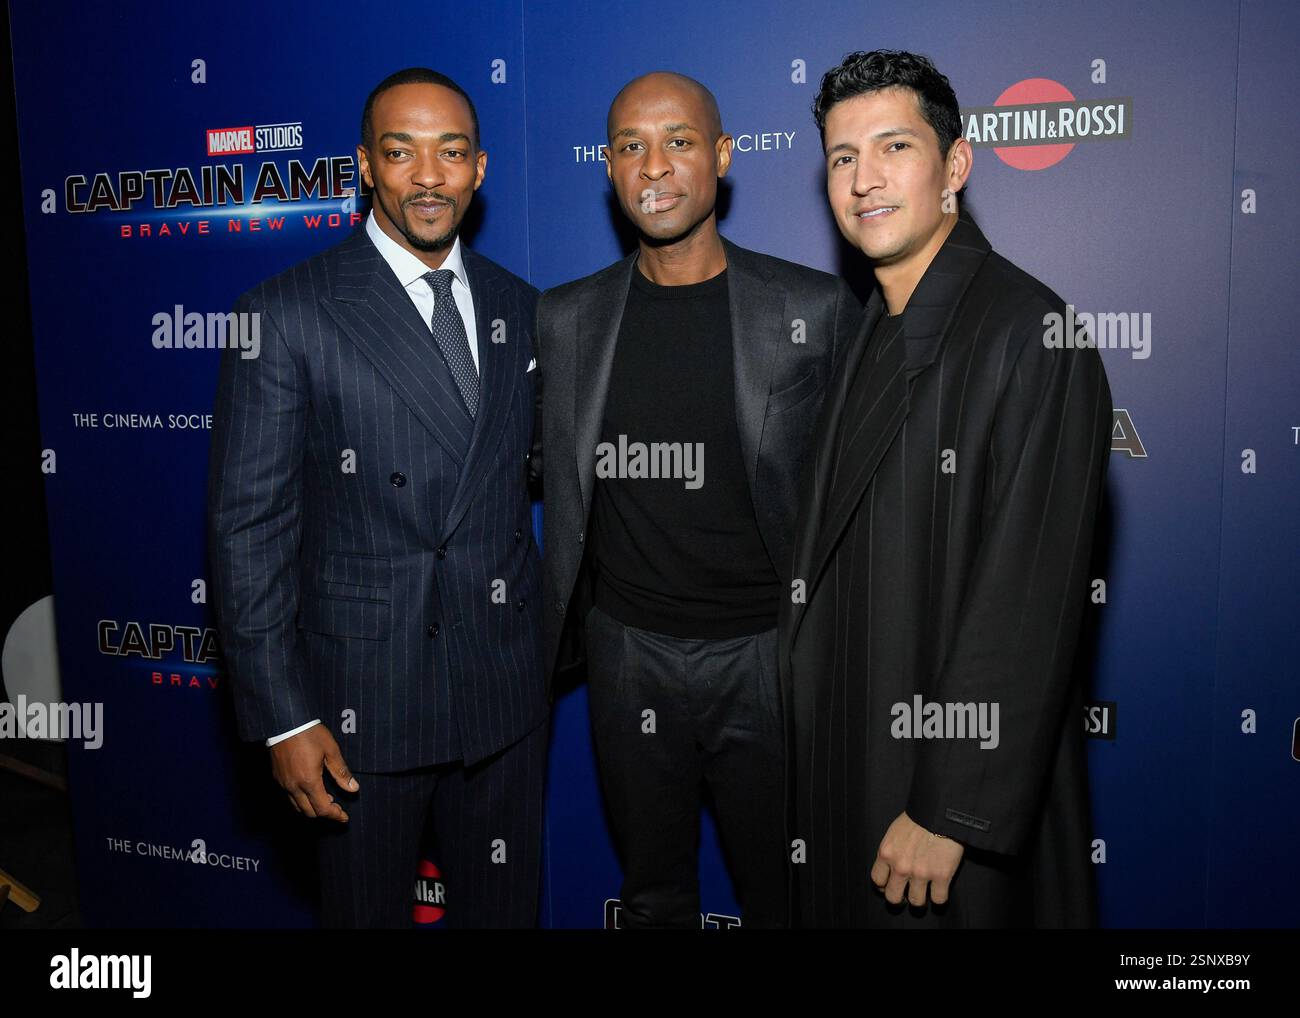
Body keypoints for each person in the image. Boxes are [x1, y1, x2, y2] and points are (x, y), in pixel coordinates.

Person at [208, 67, 546, 928]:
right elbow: (248, 531)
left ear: (480, 169)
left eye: (452, 152)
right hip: (362, 703)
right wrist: (285, 720)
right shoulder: (286, 314)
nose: (428, 177)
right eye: (402, 152)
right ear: (365, 164)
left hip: (503, 697)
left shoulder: (523, 308)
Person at [781, 49, 1111, 928]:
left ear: (955, 165)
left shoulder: (1032, 331)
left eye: (894, 148)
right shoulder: (864, 328)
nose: (864, 180)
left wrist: (950, 808)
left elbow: (1029, 599)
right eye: (844, 158)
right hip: (853, 768)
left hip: (938, 809)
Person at [533, 71, 862, 928]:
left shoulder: (810, 307)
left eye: (679, 141)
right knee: (652, 896)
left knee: (786, 895)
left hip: (769, 659)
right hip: (628, 654)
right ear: (608, 168)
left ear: (721, 156)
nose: (655, 167)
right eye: (631, 147)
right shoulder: (565, 319)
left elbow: (860, 494)